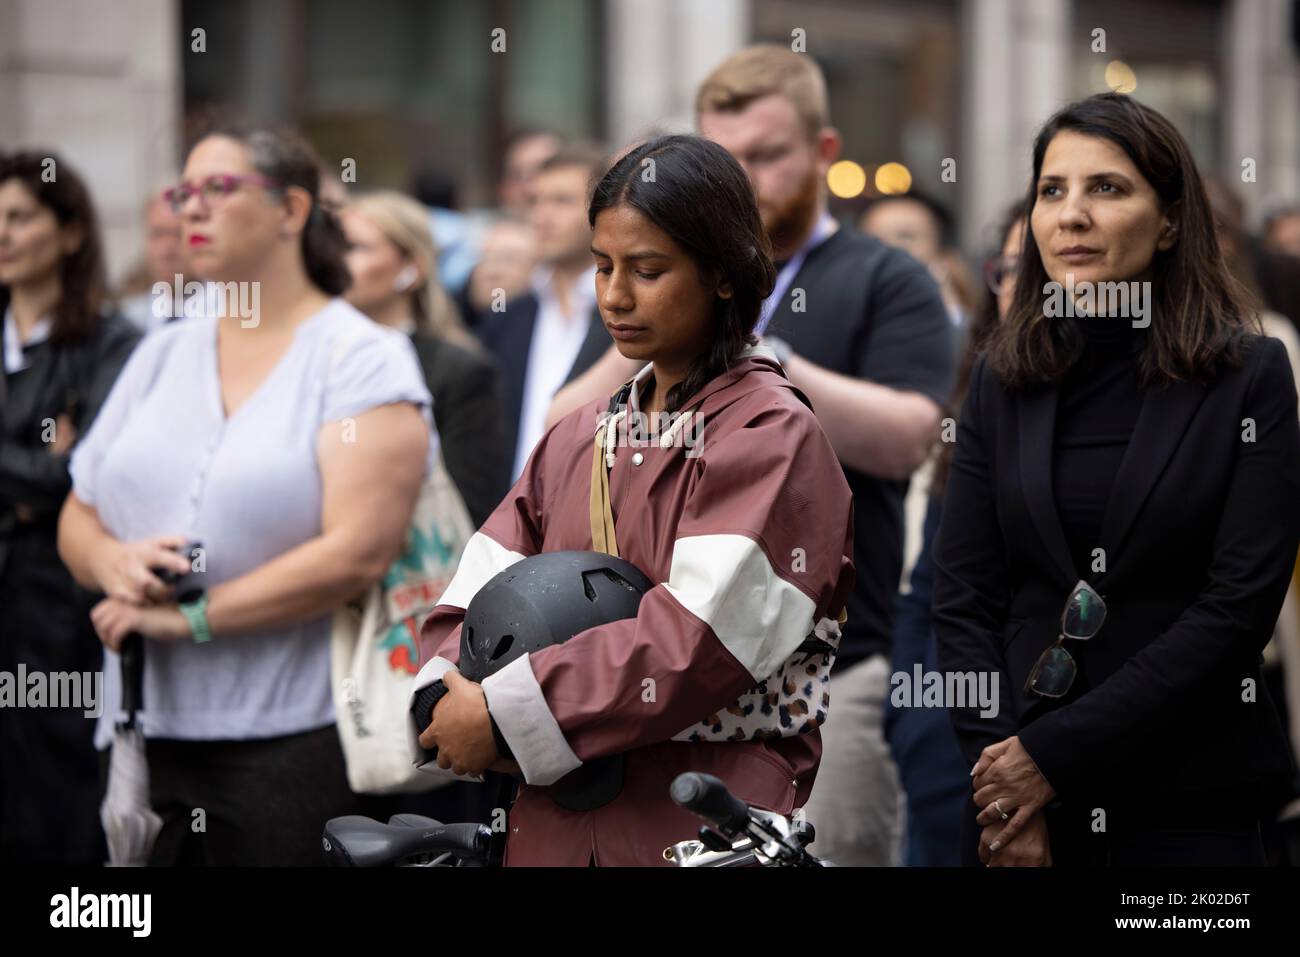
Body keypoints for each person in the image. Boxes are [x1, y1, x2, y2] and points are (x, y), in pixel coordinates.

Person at [412, 134, 855, 866]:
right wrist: (444, 696)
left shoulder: (769, 432)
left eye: (648, 270)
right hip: (555, 822)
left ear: (722, 273)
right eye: (602, 266)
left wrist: (501, 711)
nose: (615, 295)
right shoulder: (576, 436)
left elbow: (697, 643)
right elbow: (471, 588)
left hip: (701, 820)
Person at [932, 93, 1300, 867]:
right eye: (1052, 190)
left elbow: (1236, 610)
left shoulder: (1248, 374)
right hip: (1019, 806)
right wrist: (1006, 786)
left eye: (1107, 188)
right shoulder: (1004, 376)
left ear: (1169, 221)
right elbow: (963, 594)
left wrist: (1052, 758)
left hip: (1189, 798)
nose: (1071, 215)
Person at [56, 125, 432, 865]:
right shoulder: (164, 348)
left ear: (292, 210)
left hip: (292, 733)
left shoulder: (360, 356)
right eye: (183, 192)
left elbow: (357, 550)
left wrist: (190, 619)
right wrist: (111, 562)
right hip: (143, 722)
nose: (190, 210)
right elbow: (79, 506)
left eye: (218, 190)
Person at [0, 150, 139, 864]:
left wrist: (54, 479)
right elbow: (50, 474)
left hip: (62, 614)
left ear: (71, 231)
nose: (3, 233)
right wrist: (39, 473)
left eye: (18, 216)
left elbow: (88, 478)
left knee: (61, 809)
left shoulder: (112, 344)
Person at [885, 202, 1026, 866]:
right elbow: (931, 591)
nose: (1023, 286)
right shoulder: (978, 394)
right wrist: (913, 724)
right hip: (953, 749)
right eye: (1011, 268)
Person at [342, 190, 508, 526]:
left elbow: (469, 507)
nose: (335, 261)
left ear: (411, 269)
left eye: (356, 248)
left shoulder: (460, 371)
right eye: (332, 247)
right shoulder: (308, 357)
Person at [474, 145, 615, 484]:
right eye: (534, 201)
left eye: (562, 201)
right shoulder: (509, 315)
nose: (542, 215)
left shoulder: (627, 312)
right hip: (512, 519)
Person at [860, 190, 980, 329]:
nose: (889, 247)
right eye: (874, 239)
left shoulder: (968, 327)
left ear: (941, 250)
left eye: (905, 237)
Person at [115, 192, 187, 333]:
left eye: (179, 235)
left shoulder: (225, 314)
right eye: (157, 234)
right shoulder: (127, 319)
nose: (166, 251)